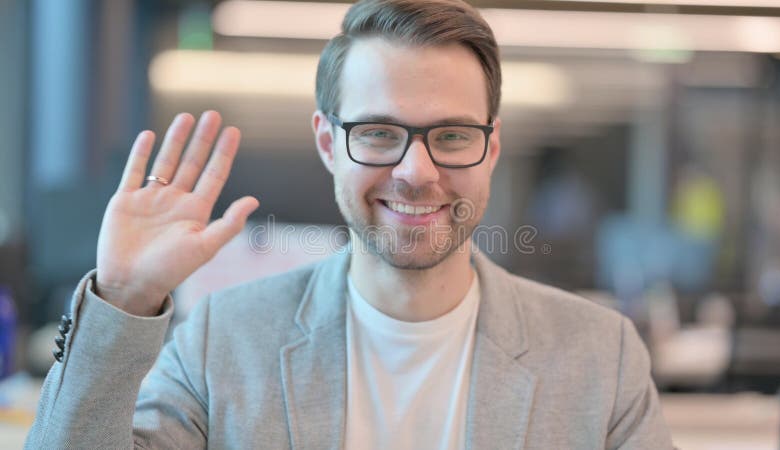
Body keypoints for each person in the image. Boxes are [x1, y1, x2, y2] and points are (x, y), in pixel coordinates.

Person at [25, 0, 674, 448]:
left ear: (493, 145)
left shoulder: (599, 356)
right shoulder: (224, 339)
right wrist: (122, 302)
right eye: (379, 132)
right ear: (328, 143)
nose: (416, 171)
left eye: (450, 134)